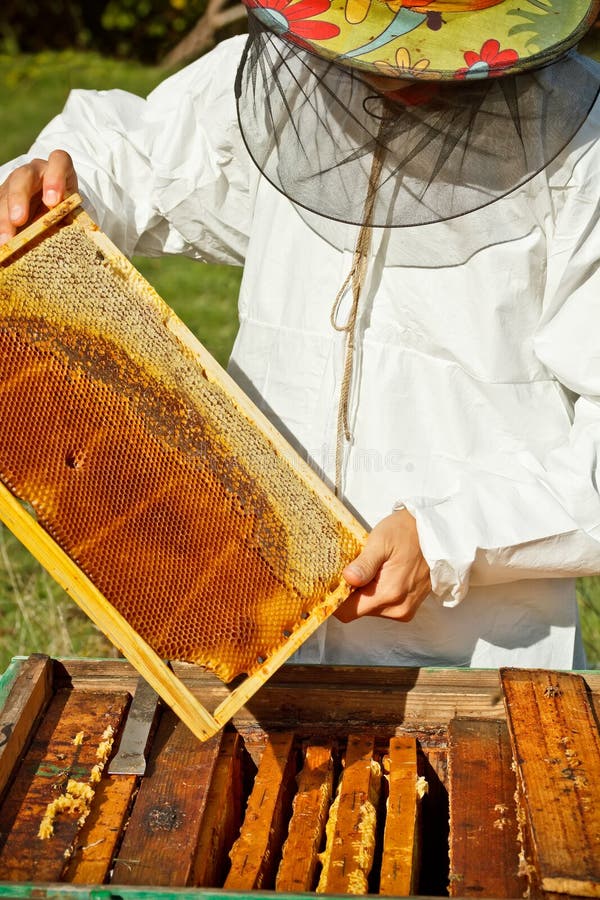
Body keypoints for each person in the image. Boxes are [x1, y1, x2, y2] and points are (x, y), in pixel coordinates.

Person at [1, 0, 599, 670]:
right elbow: (130, 151)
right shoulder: (285, 79)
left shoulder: (585, 158)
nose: (391, 68)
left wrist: (449, 539)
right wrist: (41, 189)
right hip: (251, 614)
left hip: (475, 650)